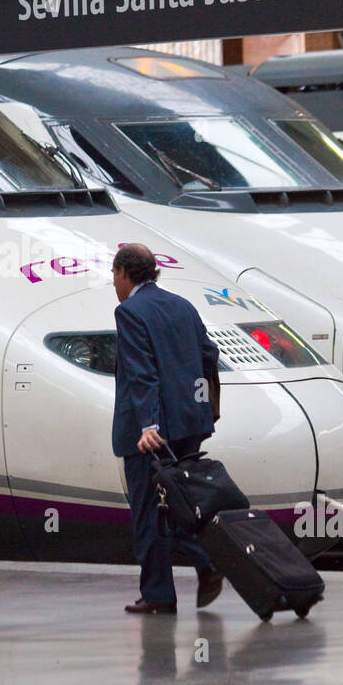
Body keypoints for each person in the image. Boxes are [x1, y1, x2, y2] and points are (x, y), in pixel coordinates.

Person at [111, 243, 224, 614]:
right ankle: (200, 565)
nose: (114, 283)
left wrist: (148, 424)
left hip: (153, 434)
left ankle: (166, 589)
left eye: (114, 275)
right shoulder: (182, 305)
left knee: (150, 512)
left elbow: (140, 372)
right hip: (190, 424)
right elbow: (209, 355)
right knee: (178, 507)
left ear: (125, 273)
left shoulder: (129, 312)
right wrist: (200, 404)